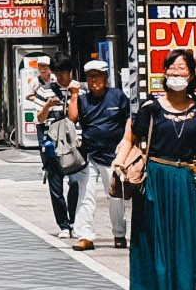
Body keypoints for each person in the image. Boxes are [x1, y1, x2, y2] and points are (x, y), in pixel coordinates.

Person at [127, 48, 196, 290]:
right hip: (154, 176)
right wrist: (127, 164)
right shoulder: (151, 107)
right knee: (153, 242)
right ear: (164, 73)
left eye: (182, 70)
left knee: (183, 243)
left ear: (191, 75)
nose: (177, 74)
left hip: (182, 179)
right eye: (172, 69)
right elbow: (132, 137)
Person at [74, 58, 131, 252]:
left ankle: (119, 234)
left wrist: (126, 147)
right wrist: (73, 95)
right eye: (90, 77)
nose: (93, 81)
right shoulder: (83, 100)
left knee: (115, 197)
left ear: (106, 77)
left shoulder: (118, 97)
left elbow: (129, 122)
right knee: (86, 195)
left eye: (97, 76)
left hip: (113, 155)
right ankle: (85, 235)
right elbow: (73, 118)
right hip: (89, 154)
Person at [38, 68, 88, 241]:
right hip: (52, 145)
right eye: (58, 73)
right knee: (55, 187)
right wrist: (48, 106)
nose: (61, 76)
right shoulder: (44, 90)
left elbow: (84, 116)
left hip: (75, 145)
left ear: (71, 73)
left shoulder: (81, 90)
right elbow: (39, 119)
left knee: (75, 183)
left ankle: (73, 221)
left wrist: (75, 95)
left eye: (64, 73)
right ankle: (63, 224)